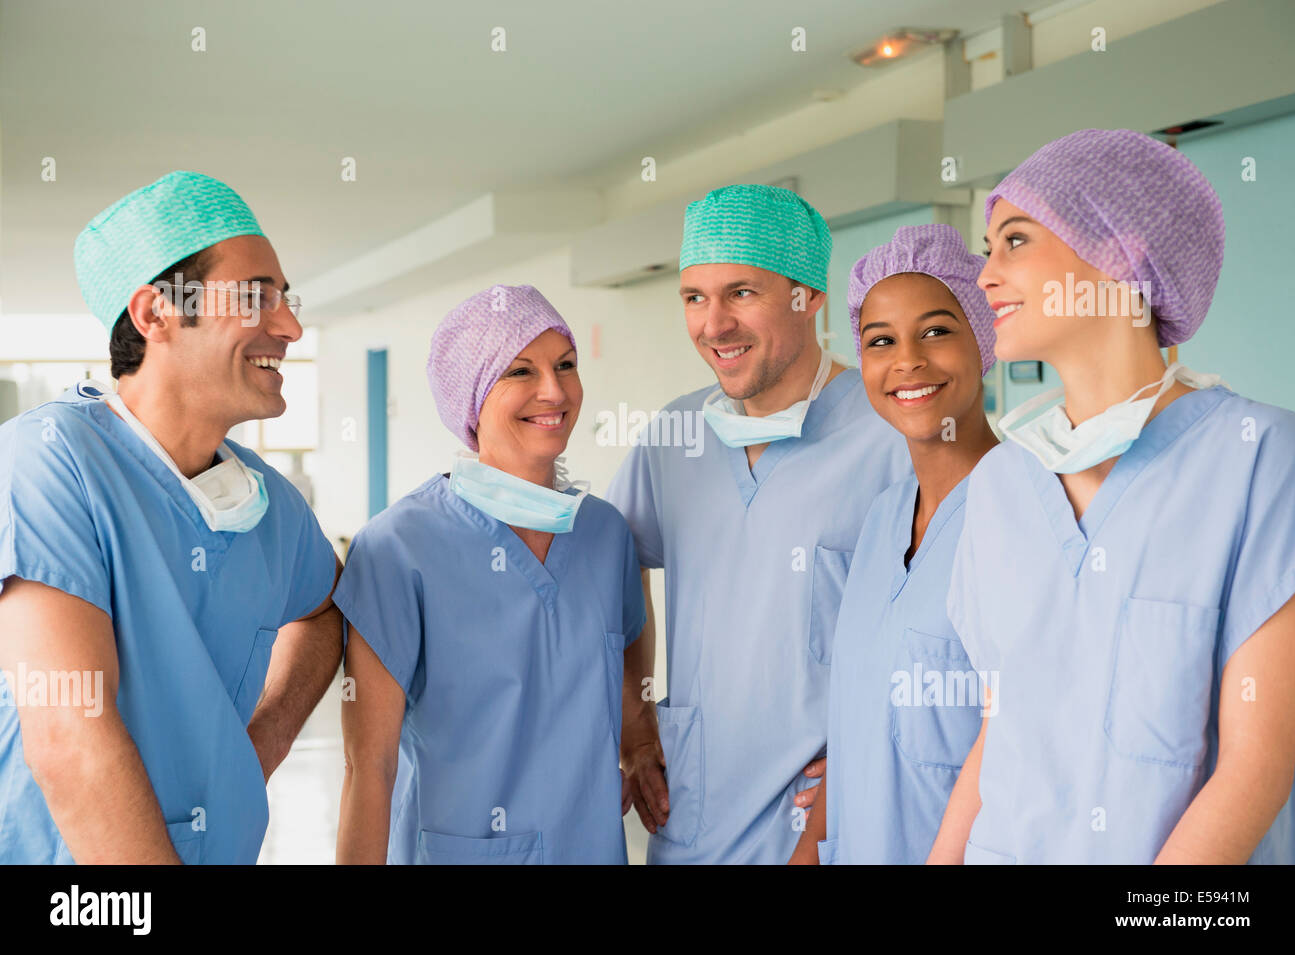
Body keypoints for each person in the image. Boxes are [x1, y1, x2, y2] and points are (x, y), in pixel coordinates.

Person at [928, 129, 1295, 864]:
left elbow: (1256, 771)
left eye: (1014, 241)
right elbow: (1001, 733)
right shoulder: (1003, 485)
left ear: (1125, 256)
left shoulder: (1261, 459)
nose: (985, 274)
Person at [0, 171, 342, 864]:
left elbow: (326, 606)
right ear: (156, 312)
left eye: (286, 297)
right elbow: (69, 734)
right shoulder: (48, 462)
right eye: (256, 296)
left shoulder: (271, 504)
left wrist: (262, 743)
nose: (292, 326)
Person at [608, 184, 911, 864]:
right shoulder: (674, 436)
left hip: (827, 826)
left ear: (809, 297)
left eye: (741, 292)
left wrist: (870, 754)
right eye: (694, 297)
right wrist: (636, 720)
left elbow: (940, 634)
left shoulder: (889, 435)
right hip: (693, 816)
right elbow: (611, 563)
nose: (713, 324)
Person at [334, 284, 644, 865]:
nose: (553, 390)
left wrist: (643, 742)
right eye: (519, 371)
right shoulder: (399, 546)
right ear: (470, 398)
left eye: (566, 365)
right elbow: (368, 766)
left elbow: (626, 658)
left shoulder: (603, 534)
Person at [787, 225, 999, 864]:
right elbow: (856, 715)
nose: (907, 360)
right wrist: (807, 851)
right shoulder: (882, 520)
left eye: (935, 330)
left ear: (983, 340)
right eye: (880, 341)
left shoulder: (1026, 512)